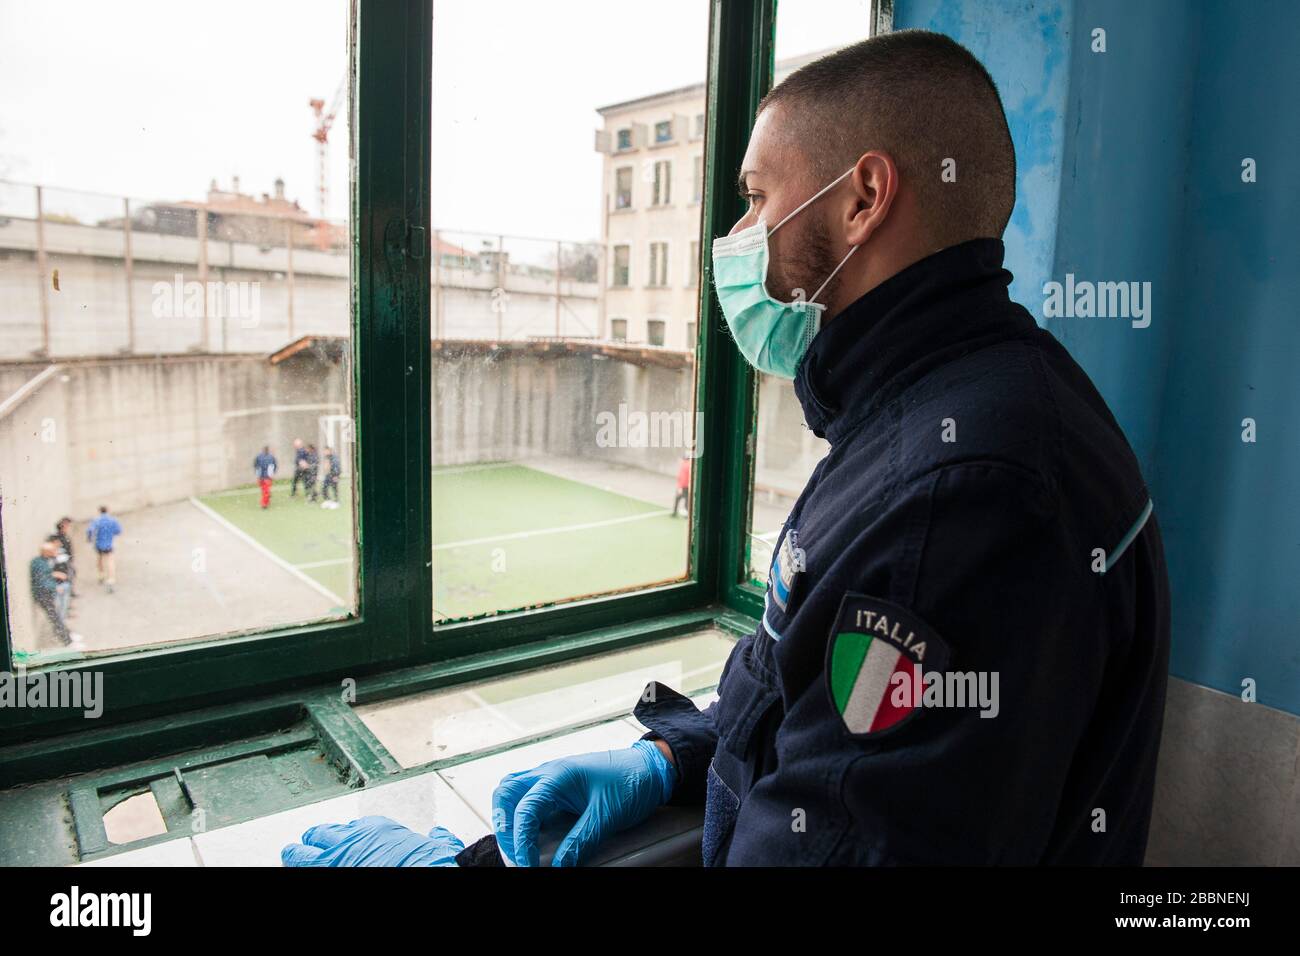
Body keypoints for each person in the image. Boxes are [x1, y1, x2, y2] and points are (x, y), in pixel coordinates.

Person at [283, 31, 1170, 868]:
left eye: (755, 197)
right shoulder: (941, 403)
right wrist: (678, 753)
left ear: (863, 198)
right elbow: (811, 698)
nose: (740, 239)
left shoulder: (963, 496)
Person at [30, 539, 81, 648]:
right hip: (43, 595)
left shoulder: (43, 561)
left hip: (47, 594)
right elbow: (41, 581)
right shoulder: (39, 563)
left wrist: (54, 574)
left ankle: (68, 635)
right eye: (53, 550)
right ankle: (67, 641)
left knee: (57, 615)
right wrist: (55, 587)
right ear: (46, 552)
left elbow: (46, 574)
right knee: (55, 617)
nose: (55, 552)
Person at [86, 505, 123, 593]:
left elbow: (90, 530)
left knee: (99, 560)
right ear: (108, 510)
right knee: (110, 561)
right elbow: (118, 531)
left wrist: (90, 538)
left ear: (99, 511)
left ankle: (101, 575)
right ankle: (111, 579)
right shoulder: (113, 520)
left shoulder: (96, 520)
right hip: (109, 544)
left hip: (99, 544)